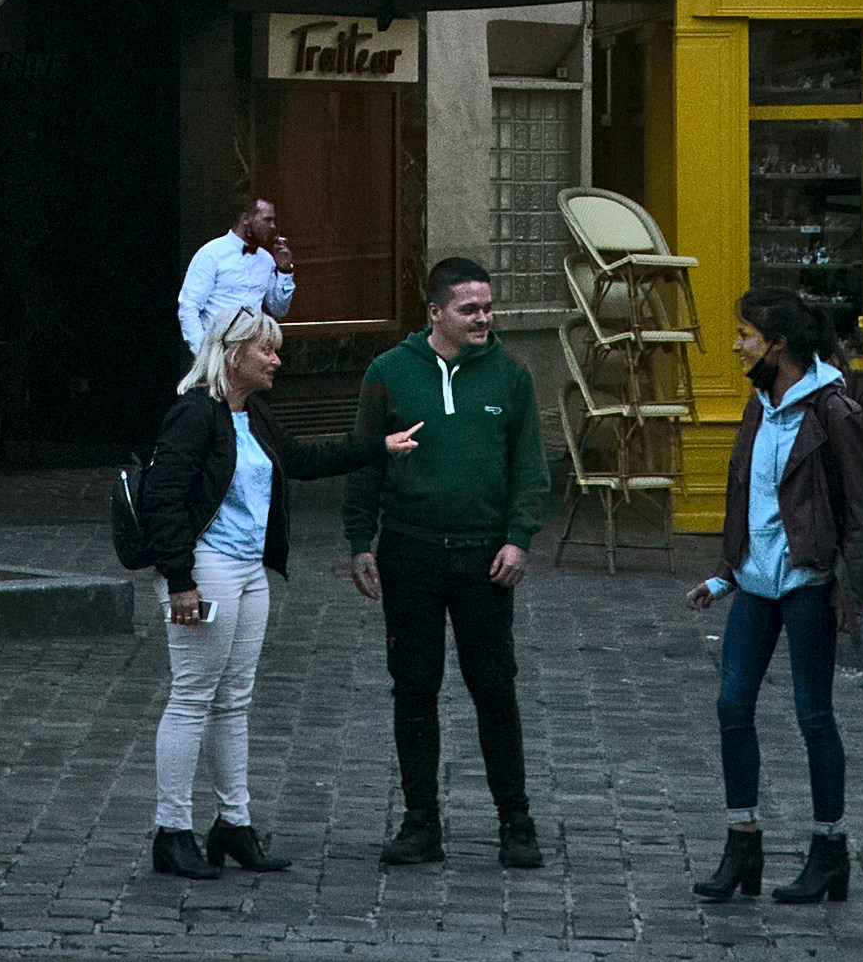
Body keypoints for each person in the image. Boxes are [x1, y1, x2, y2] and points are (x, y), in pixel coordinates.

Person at [137, 297, 420, 878]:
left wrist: (379, 446)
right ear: (234, 352)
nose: (275, 361)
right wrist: (181, 582)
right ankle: (172, 830)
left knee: (233, 700)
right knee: (192, 697)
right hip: (206, 568)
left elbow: (304, 460)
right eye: (266, 350)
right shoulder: (194, 414)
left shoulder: (254, 415)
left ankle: (234, 824)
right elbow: (161, 502)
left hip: (248, 572)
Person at [345, 254, 552, 871]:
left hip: (485, 558)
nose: (483, 318)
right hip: (409, 552)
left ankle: (515, 822)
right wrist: (361, 540)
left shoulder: (512, 376)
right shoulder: (388, 372)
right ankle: (420, 822)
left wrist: (520, 538)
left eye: (488, 307)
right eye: (470, 309)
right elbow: (365, 460)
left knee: (494, 687)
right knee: (413, 688)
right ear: (435, 312)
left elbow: (529, 469)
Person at [689, 286, 863, 905]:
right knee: (731, 705)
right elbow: (745, 498)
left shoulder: (831, 412)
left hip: (807, 583)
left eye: (746, 335)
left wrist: (848, 590)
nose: (737, 346)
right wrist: (723, 574)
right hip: (755, 585)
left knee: (812, 715)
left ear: (780, 345)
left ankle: (829, 850)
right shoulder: (757, 406)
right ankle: (742, 842)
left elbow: (859, 509)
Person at [177, 188, 297, 356]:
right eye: (267, 220)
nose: (273, 226)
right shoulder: (211, 253)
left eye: (273, 220)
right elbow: (189, 307)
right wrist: (202, 352)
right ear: (246, 219)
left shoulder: (266, 259)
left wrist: (284, 270)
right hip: (217, 349)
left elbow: (279, 309)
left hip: (252, 351)